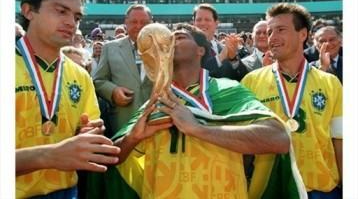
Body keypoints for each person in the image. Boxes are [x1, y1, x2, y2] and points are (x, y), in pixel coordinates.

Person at [108, 24, 307, 199]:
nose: (171, 41)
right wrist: (133, 138)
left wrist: (198, 129)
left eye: (180, 37)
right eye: (168, 39)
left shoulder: (228, 90)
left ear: (201, 50)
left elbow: (279, 139)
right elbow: (113, 160)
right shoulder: (155, 102)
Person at [16, 0, 120, 198]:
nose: (71, 22)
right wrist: (48, 155)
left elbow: (87, 131)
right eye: (61, 11)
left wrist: (88, 134)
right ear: (28, 11)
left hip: (67, 192)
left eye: (77, 16)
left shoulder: (80, 76)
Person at [241, 3, 342, 198]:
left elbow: (341, 142)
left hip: (320, 189)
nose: (272, 38)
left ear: (303, 34)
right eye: (270, 32)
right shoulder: (251, 81)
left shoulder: (330, 83)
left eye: (280, 30)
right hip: (268, 190)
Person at [93, 4, 153, 137]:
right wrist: (113, 91)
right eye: (134, 22)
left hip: (155, 119)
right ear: (126, 23)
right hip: (123, 121)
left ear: (151, 23)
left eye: (144, 22)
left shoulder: (162, 48)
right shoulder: (110, 48)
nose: (138, 26)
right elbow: (98, 80)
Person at [192, 3, 248, 81]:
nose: (202, 23)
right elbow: (194, 74)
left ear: (216, 23)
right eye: (198, 20)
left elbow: (242, 78)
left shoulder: (224, 48)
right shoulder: (188, 48)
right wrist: (220, 57)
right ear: (193, 23)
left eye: (207, 20)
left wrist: (233, 59)